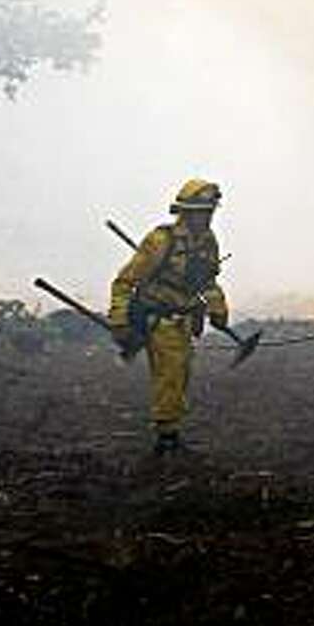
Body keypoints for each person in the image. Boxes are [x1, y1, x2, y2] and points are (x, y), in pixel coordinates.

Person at [109, 178, 230, 454]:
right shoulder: (160, 241)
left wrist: (218, 308)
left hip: (186, 321)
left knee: (181, 373)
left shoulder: (208, 243)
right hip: (159, 320)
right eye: (202, 211)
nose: (207, 217)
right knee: (171, 375)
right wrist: (119, 320)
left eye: (210, 211)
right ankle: (167, 437)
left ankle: (171, 430)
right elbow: (124, 282)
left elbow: (208, 282)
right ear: (186, 212)